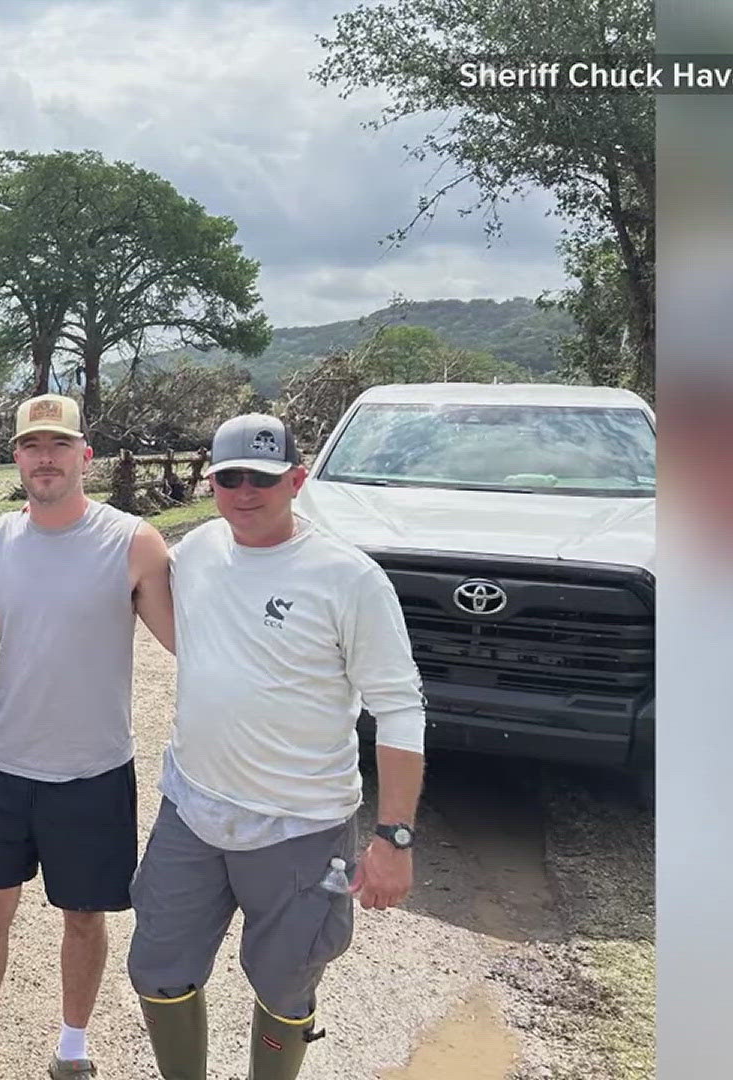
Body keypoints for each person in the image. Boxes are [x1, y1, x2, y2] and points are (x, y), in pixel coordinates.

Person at [127, 413, 426, 1080]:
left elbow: (401, 710)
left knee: (285, 980)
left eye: (262, 478)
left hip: (303, 825)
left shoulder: (348, 579)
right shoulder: (200, 549)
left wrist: (394, 839)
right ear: (211, 482)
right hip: (193, 812)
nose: (245, 491)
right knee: (156, 966)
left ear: (296, 478)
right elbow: (159, 605)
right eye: (229, 477)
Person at [0, 393, 175, 1080]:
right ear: (16, 456)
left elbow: (182, 638)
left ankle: (73, 1049)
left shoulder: (133, 541)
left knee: (83, 916)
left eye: (59, 445)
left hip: (93, 769)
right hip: (3, 763)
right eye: (32, 446)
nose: (45, 458)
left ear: (83, 456)